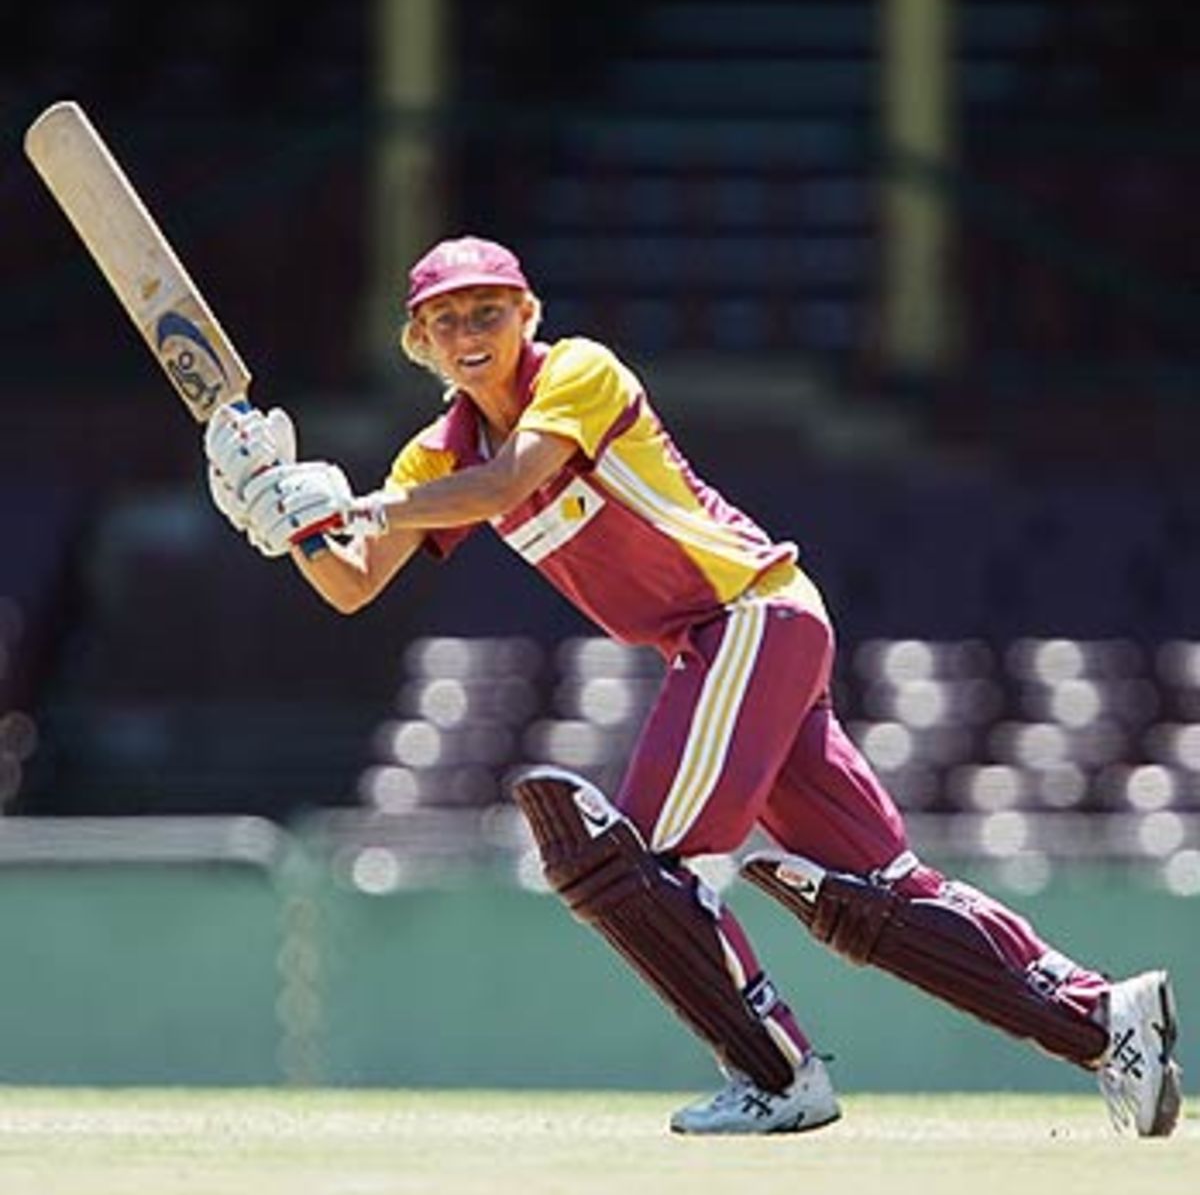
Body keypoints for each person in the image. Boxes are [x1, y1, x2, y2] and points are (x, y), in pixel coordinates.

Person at [204, 235, 1181, 1137]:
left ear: (527, 314)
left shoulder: (579, 372)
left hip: (750, 617)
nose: (469, 334)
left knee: (637, 868)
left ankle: (779, 1077)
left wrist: (356, 500)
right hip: (734, 640)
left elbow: (509, 486)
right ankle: (1104, 1020)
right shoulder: (434, 456)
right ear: (417, 340)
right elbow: (353, 583)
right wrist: (281, 515)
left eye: (487, 311)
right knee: (875, 902)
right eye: (447, 320)